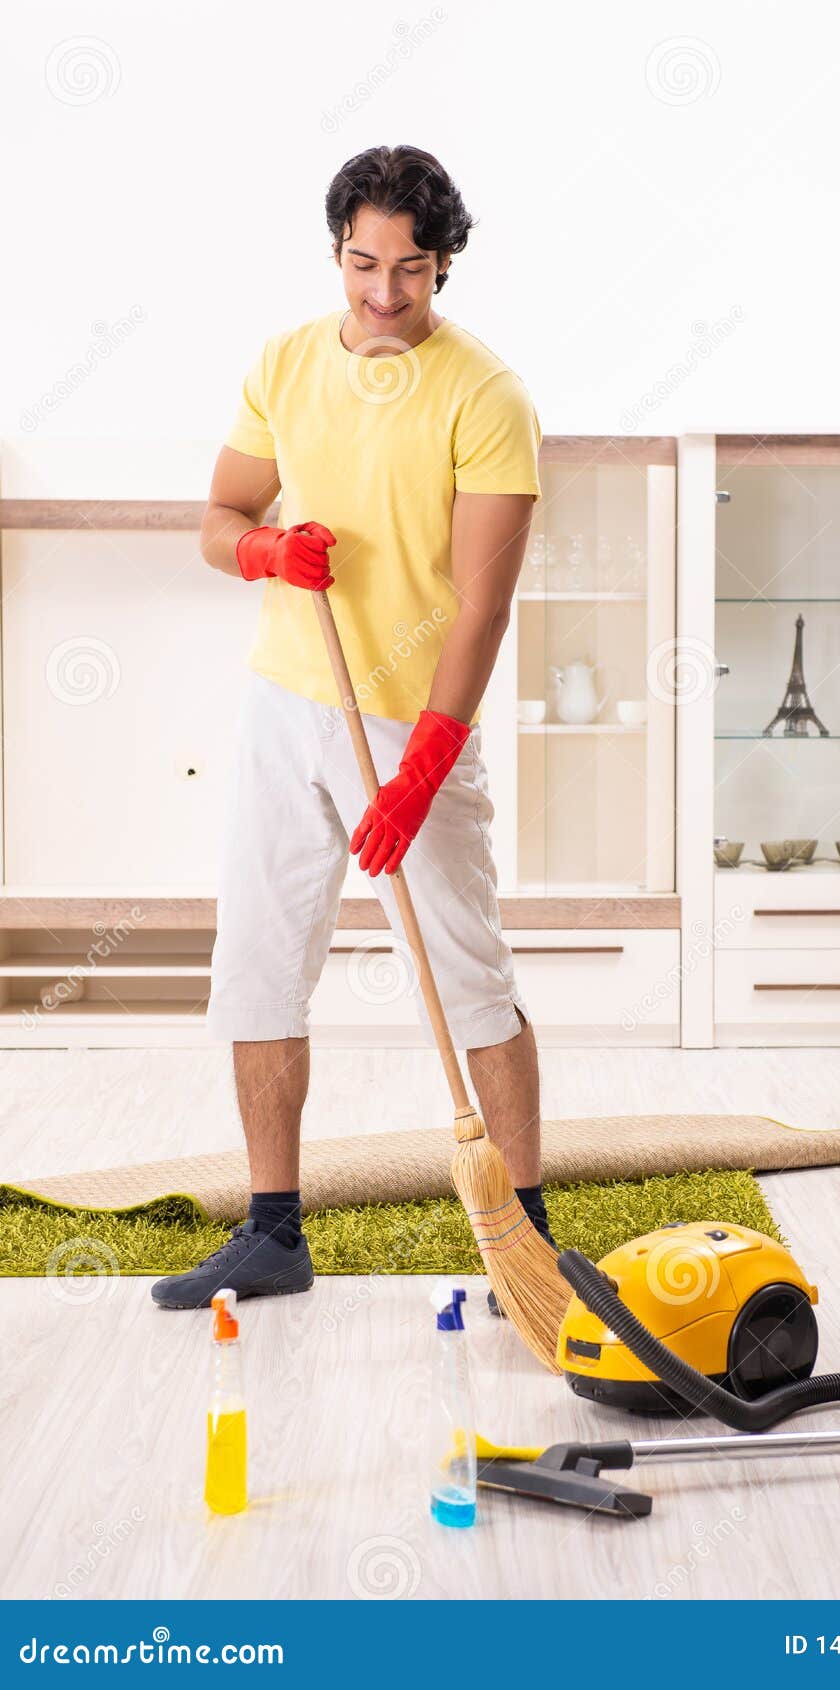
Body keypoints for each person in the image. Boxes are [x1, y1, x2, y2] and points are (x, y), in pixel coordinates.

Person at [151, 144, 554, 1311]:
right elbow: (221, 517)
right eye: (364, 264)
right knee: (259, 972)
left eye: (412, 271)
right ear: (337, 252)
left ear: (445, 267)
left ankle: (521, 1239)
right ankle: (274, 1231)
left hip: (408, 718)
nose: (384, 294)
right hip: (289, 698)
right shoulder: (284, 360)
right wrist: (266, 550)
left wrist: (425, 764)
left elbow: (482, 604)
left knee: (469, 979)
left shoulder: (489, 397)